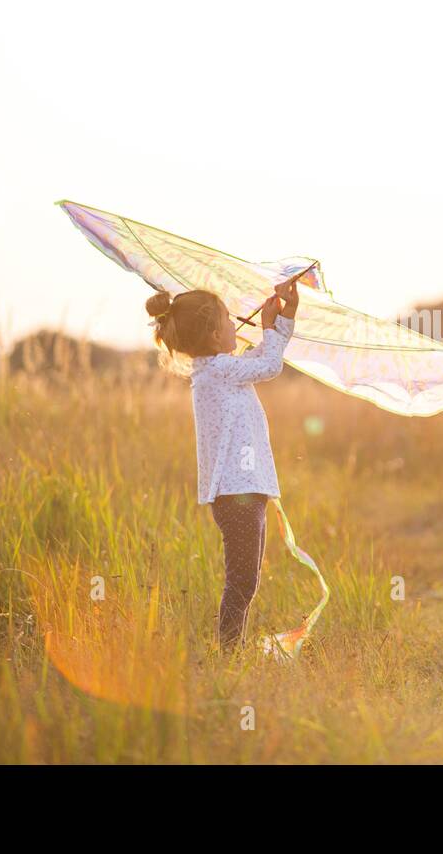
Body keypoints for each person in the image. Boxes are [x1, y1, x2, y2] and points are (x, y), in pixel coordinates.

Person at [146, 276, 300, 650]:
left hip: (241, 492)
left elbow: (256, 362)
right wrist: (271, 326)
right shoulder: (218, 372)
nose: (235, 325)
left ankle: (232, 648)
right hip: (238, 494)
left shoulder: (216, 370)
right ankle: (229, 651)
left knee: (246, 578)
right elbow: (268, 365)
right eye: (229, 320)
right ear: (215, 335)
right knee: (243, 580)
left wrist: (281, 322)